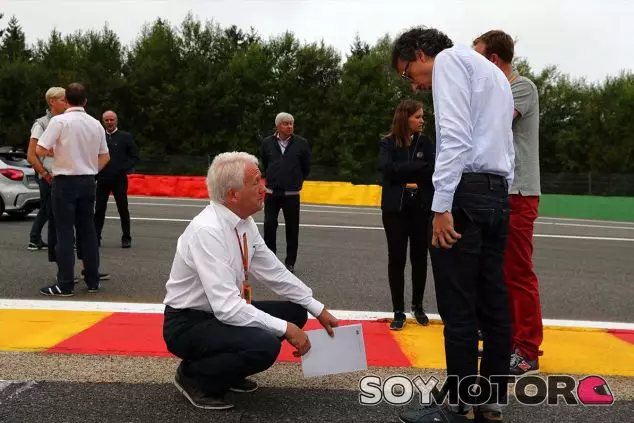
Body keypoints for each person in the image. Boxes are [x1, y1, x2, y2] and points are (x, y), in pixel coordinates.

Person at [391, 27, 515, 423]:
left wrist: (441, 205)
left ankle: (456, 404)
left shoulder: (448, 62)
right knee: (494, 303)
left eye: (409, 71)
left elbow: (456, 137)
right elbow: (503, 143)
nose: (413, 82)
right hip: (497, 194)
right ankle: (491, 401)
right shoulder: (494, 72)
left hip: (465, 195)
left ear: (422, 52)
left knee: (459, 307)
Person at [162, 151, 338, 410]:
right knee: (265, 346)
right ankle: (194, 376)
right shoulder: (207, 231)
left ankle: (226, 371)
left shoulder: (244, 223)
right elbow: (227, 307)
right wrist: (285, 329)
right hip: (189, 322)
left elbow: (274, 272)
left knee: (296, 312)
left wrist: (317, 307)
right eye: (256, 182)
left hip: (218, 316)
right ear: (233, 195)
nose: (264, 188)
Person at [473, 30, 542, 376]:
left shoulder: (521, 86)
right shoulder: (500, 88)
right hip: (501, 191)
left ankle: (528, 349)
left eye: (478, 58)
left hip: (519, 192)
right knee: (498, 271)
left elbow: (492, 123)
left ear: (493, 60)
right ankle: (509, 337)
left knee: (518, 272)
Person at [36, 83, 110, 296]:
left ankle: (65, 283)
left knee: (65, 232)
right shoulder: (96, 123)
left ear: (66, 100)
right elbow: (105, 156)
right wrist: (89, 169)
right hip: (88, 180)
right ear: (85, 101)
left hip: (65, 181)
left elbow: (41, 148)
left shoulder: (59, 121)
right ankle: (93, 280)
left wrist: (59, 154)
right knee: (88, 231)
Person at [379, 99, 435, 330]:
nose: (422, 121)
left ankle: (418, 306)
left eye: (422, 117)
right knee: (397, 259)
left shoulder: (427, 142)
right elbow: (386, 168)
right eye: (418, 117)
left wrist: (401, 170)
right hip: (395, 209)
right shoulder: (388, 142)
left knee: (420, 258)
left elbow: (431, 169)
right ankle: (398, 310)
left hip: (421, 208)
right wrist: (415, 168)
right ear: (405, 118)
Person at [260, 112, 311, 273]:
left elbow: (306, 167)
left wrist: (295, 180)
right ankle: (270, 261)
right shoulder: (267, 143)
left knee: (292, 228)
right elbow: (265, 162)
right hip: (271, 192)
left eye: (291, 123)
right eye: (285, 123)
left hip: (291, 194)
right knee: (269, 225)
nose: (289, 126)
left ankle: (290, 262)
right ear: (278, 126)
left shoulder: (301, 144)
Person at [26, 87, 68, 251]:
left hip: (62, 173)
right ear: (52, 101)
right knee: (53, 209)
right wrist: (44, 174)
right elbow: (31, 155)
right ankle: (57, 243)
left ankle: (35, 238)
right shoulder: (41, 123)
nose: (66, 103)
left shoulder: (68, 120)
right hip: (48, 174)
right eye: (63, 100)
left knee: (47, 208)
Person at [94, 110, 140, 248]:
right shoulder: (99, 136)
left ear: (116, 120)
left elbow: (135, 157)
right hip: (101, 178)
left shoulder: (125, 137)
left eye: (111, 120)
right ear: (103, 121)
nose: (109, 123)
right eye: (106, 120)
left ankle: (126, 237)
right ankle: (96, 236)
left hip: (119, 179)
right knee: (99, 209)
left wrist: (123, 168)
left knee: (122, 208)